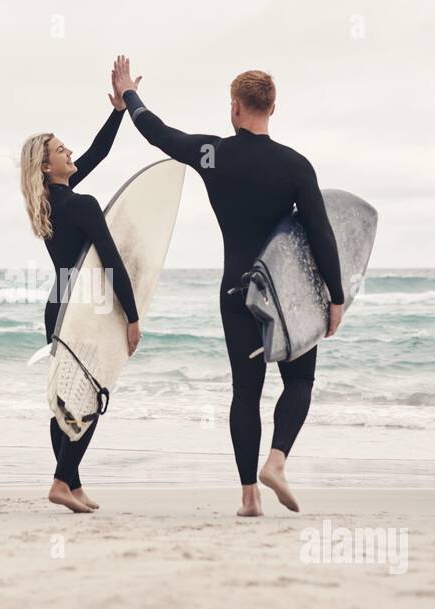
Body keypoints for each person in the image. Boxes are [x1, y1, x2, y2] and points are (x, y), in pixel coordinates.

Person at [112, 56, 343, 516]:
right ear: (272, 108)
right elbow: (321, 233)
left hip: (236, 290)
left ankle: (248, 498)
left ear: (235, 108)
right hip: (287, 294)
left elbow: (159, 132)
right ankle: (275, 462)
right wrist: (336, 296)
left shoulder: (213, 154)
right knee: (299, 380)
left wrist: (129, 96)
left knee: (246, 390)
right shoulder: (295, 166)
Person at [19, 70, 141, 514]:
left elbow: (97, 153)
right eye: (59, 150)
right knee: (89, 397)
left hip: (59, 306)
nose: (69, 152)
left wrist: (117, 113)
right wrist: (133, 315)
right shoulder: (81, 205)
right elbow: (111, 262)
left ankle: (71, 482)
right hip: (85, 308)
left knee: (66, 401)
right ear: (47, 166)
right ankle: (60, 480)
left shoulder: (53, 204)